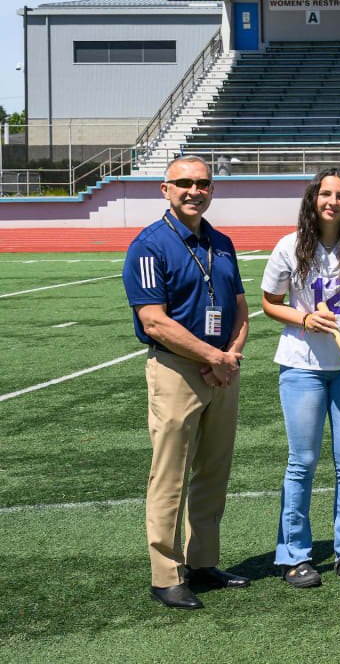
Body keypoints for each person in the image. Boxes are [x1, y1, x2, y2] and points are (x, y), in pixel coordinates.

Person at [123, 155, 250, 609]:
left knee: (214, 471)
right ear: (166, 189)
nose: (194, 191)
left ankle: (202, 562)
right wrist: (214, 357)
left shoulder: (222, 242)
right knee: (171, 475)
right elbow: (154, 321)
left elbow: (240, 306)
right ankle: (166, 575)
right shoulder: (149, 245)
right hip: (177, 370)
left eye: (203, 183)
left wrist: (230, 355)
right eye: (184, 183)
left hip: (223, 371)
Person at [261, 168, 340, 587]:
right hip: (302, 366)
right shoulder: (289, 245)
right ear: (314, 198)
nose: (333, 202)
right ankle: (294, 554)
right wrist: (304, 318)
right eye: (326, 194)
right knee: (303, 462)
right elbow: (270, 303)